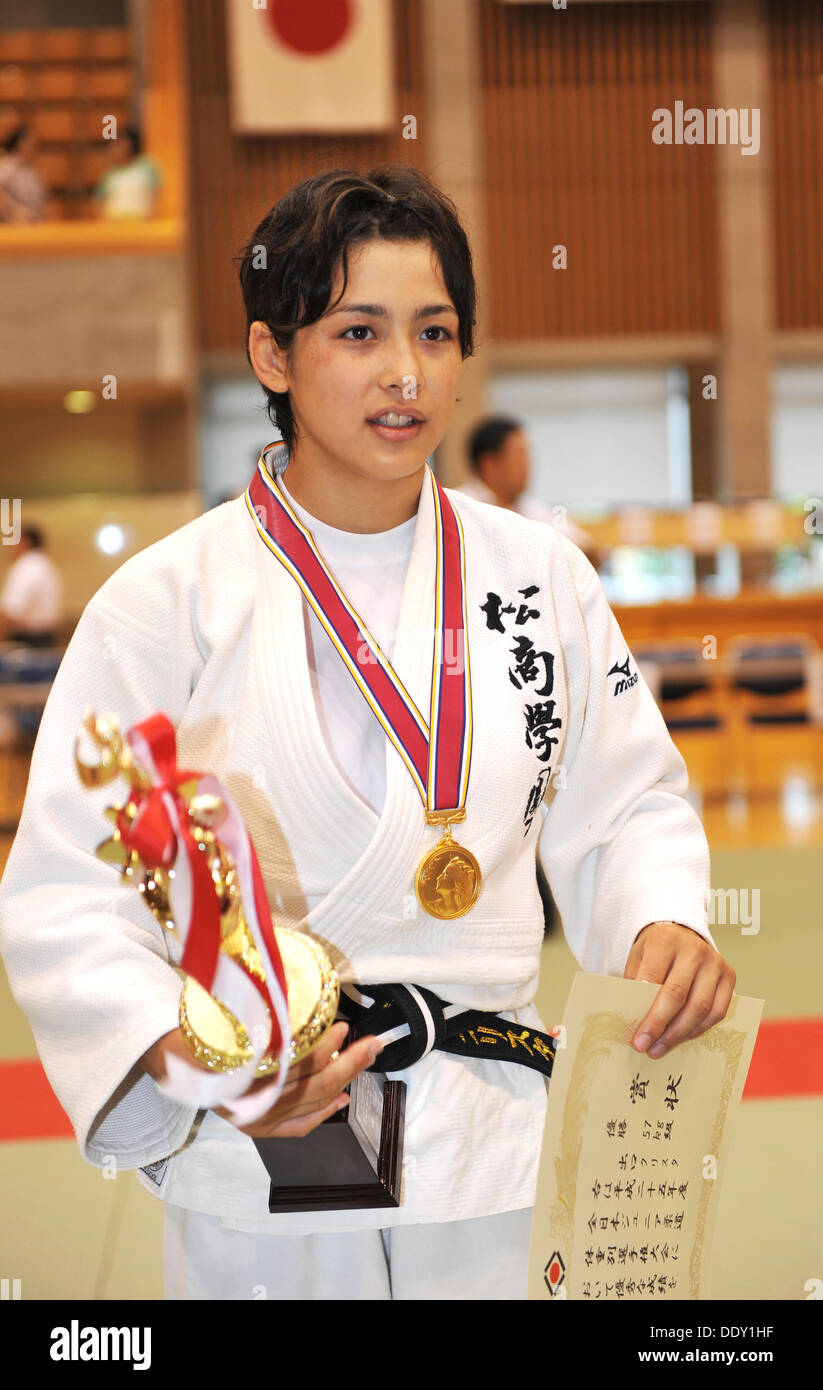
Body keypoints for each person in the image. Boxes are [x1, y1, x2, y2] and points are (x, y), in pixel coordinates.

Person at [0, 165, 734, 1301]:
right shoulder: (167, 601)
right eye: (358, 331)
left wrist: (659, 917)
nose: (405, 373)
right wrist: (191, 1051)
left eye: (435, 333)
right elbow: (64, 889)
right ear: (272, 357)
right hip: (268, 1128)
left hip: (494, 1130)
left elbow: (624, 799)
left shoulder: (537, 578)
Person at [461, 415, 600, 561]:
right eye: (519, 455)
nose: (528, 464)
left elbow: (588, 549)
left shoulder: (533, 510)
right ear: (490, 464)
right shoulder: (460, 508)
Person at [0, 525, 62, 646]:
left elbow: (11, 611)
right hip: (47, 638)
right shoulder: (48, 566)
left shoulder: (26, 566)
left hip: (26, 641)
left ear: (25, 541)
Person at [93, 125, 162, 221]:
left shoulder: (146, 166)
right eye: (114, 144)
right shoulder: (109, 174)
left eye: (120, 143)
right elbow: (99, 202)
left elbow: (155, 198)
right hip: (113, 224)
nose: (116, 148)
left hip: (141, 223)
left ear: (132, 144)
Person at [0, 124, 47, 224]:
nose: (35, 146)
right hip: (11, 227)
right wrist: (15, 212)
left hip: (34, 225)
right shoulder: (6, 166)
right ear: (21, 143)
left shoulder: (33, 171)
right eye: (31, 141)